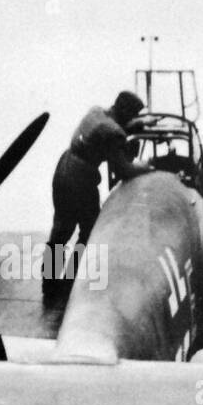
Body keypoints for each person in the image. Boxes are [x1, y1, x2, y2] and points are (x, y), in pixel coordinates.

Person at [43, 91, 154, 296]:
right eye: (133, 115)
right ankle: (70, 280)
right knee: (89, 230)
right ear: (125, 112)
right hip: (81, 178)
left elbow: (106, 129)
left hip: (64, 168)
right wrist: (148, 166)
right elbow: (124, 170)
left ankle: (48, 283)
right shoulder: (113, 133)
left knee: (61, 228)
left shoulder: (96, 112)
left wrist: (131, 127)